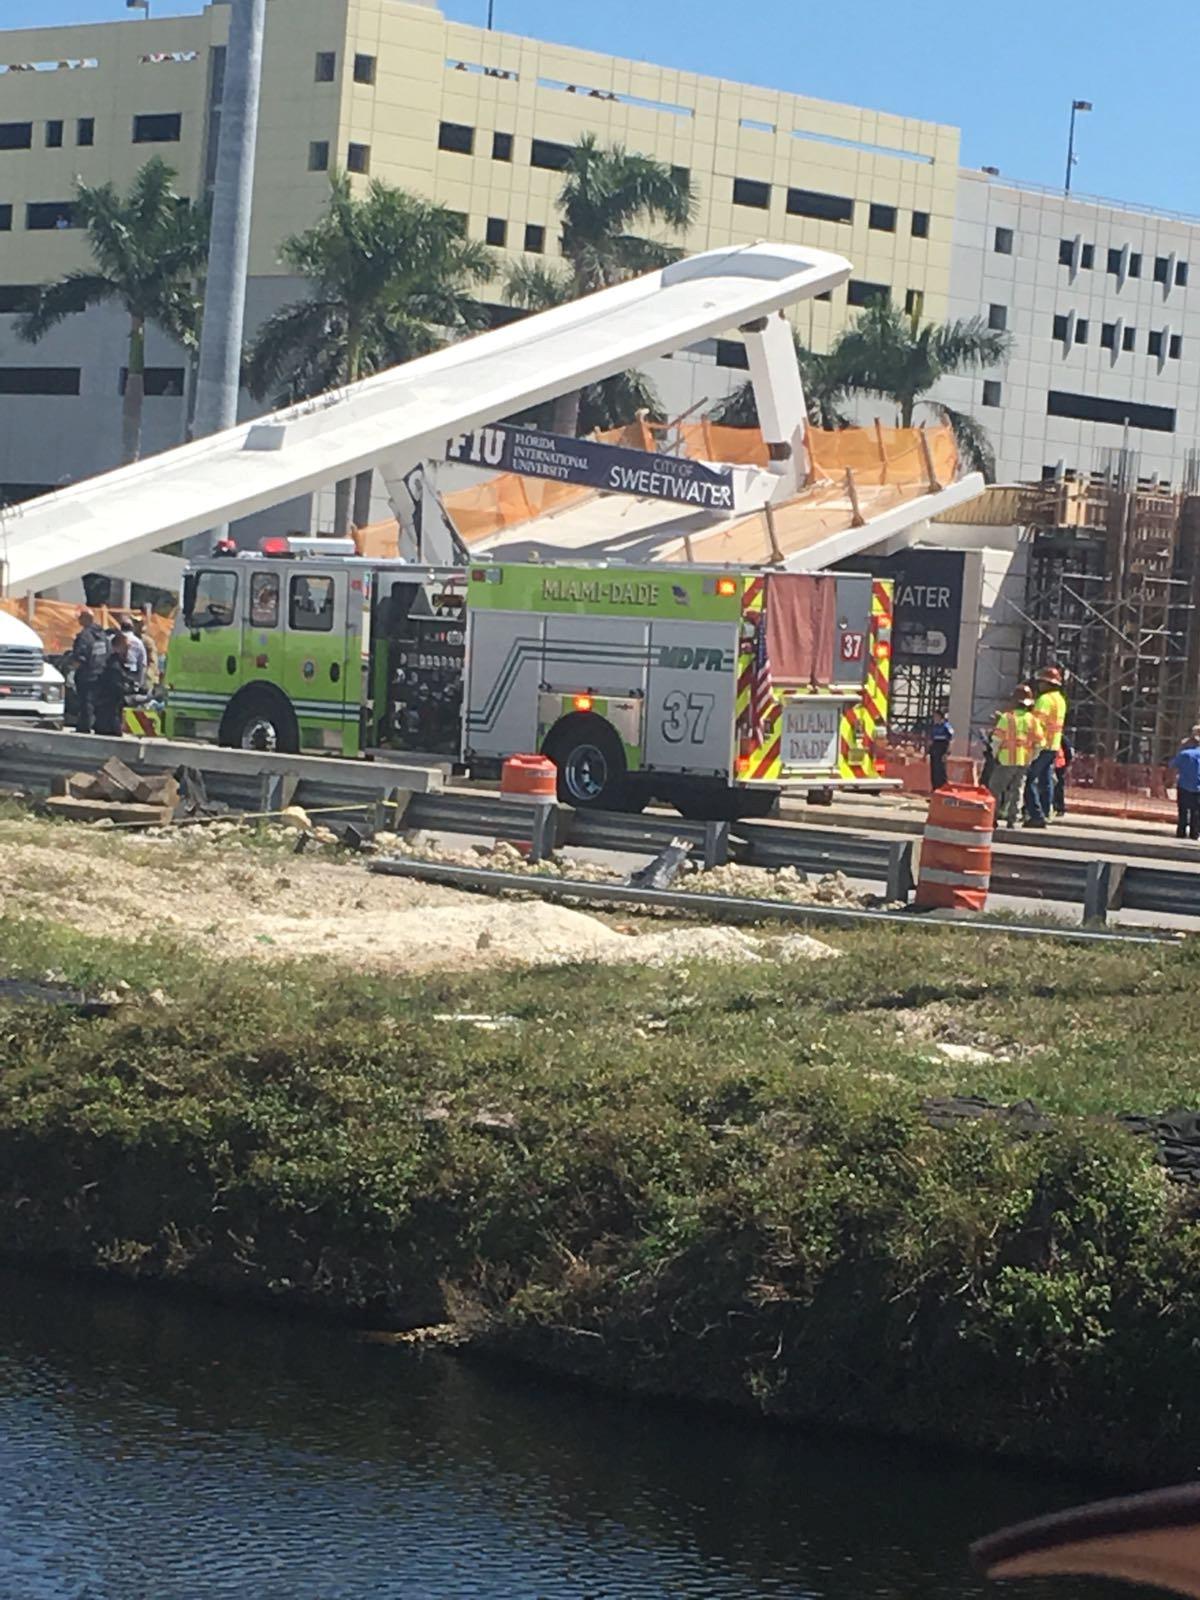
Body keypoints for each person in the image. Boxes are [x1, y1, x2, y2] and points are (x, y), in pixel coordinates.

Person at [988, 686, 1042, 827]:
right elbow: (1039, 744)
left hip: (1006, 760)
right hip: (1024, 761)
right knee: (1018, 789)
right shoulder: (1032, 720)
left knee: (995, 789)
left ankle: (992, 817)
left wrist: (995, 755)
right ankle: (1013, 818)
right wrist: (1032, 757)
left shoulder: (1007, 718)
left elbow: (996, 740)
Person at [1024, 665, 1067, 828]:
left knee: (1029, 780)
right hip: (1054, 745)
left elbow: (1036, 724)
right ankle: (1045, 811)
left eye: (1041, 682)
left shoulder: (1044, 700)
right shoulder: (1060, 700)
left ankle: (1036, 815)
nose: (1039, 685)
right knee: (1046, 780)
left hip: (1041, 745)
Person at [67, 607, 110, 733]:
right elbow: (108, 652)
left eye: (80, 617)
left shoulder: (84, 636)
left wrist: (72, 672)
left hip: (86, 675)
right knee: (97, 702)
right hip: (101, 674)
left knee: (85, 703)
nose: (79, 620)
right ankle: (97, 726)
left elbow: (80, 657)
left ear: (86, 619)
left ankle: (84, 727)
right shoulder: (102, 635)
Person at [93, 630, 136, 735]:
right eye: (126, 647)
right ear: (118, 647)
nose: (128, 650)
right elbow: (115, 687)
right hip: (108, 715)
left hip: (112, 711)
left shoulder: (116, 663)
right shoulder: (113, 665)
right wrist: (129, 690)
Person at [1170, 731, 1200, 841]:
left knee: (1183, 810)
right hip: (1198, 787)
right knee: (1196, 811)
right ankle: (1194, 833)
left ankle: (1181, 832)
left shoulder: (1184, 754)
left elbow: (1173, 766)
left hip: (1184, 785)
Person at [928, 706, 953, 791]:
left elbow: (950, 739)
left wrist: (947, 752)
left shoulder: (946, 727)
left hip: (942, 749)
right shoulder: (934, 727)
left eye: (936, 716)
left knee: (941, 770)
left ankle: (943, 788)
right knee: (934, 771)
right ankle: (934, 789)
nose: (935, 718)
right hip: (934, 750)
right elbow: (931, 740)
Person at [119, 617, 148, 688]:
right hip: (132, 676)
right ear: (132, 628)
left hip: (117, 676)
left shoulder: (114, 638)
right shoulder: (138, 642)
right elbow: (142, 663)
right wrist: (140, 683)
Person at [1053, 733, 1074, 818]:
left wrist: (1067, 764)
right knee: (1057, 786)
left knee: (1057, 787)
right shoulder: (1060, 736)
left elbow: (1069, 752)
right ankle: (1058, 807)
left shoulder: (1060, 737)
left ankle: (1059, 807)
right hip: (1058, 764)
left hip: (1058, 765)